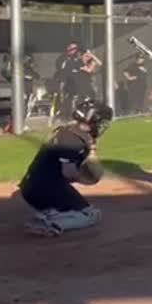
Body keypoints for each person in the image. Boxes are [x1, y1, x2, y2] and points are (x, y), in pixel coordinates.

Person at [18, 97, 113, 236]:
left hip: (33, 186)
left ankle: (49, 214)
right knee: (90, 214)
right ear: (93, 121)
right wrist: (86, 180)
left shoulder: (69, 132)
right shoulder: (73, 140)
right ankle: (51, 224)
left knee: (64, 208)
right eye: (101, 122)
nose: (101, 126)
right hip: (45, 187)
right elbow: (68, 173)